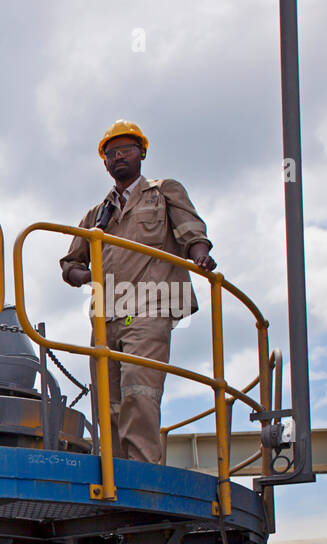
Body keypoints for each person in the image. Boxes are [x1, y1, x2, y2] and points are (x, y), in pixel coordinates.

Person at [59, 120, 215, 465]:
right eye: (111, 153)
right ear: (105, 163)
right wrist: (81, 274)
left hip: (151, 304)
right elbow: (70, 262)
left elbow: (192, 230)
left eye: (126, 149)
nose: (119, 157)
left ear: (142, 152)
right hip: (106, 314)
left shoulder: (163, 192)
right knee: (108, 403)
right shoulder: (97, 214)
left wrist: (200, 254)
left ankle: (145, 474)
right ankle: (115, 475)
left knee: (139, 392)